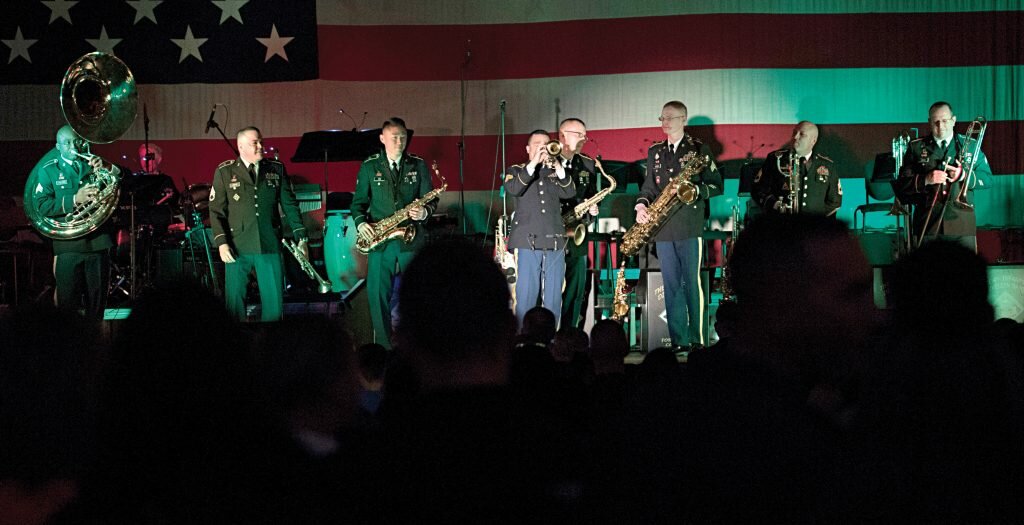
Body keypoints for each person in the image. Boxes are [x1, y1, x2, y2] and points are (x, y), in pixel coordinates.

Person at [633, 101, 723, 350]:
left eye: (670, 118)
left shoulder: (698, 149)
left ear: (684, 119)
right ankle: (678, 341)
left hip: (689, 226)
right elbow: (649, 187)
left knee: (691, 283)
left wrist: (695, 190)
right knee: (670, 284)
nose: (665, 122)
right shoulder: (655, 151)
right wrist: (641, 206)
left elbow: (717, 184)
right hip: (663, 228)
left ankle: (697, 339)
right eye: (662, 117)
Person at [352, 118, 437, 348]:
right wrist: (362, 224)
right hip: (381, 241)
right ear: (382, 138)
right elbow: (357, 204)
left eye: (403, 137)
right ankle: (383, 344)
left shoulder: (418, 164)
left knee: (417, 293)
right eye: (394, 137)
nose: (399, 142)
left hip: (411, 237)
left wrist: (424, 213)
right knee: (377, 294)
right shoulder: (370, 166)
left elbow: (432, 199)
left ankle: (416, 343)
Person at [209, 126, 306, 321]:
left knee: (274, 305)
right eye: (255, 143)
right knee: (234, 305)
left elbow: (290, 204)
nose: (261, 146)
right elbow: (216, 210)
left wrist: (301, 236)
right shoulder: (225, 171)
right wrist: (222, 243)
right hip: (237, 245)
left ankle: (269, 347)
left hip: (268, 242)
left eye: (261, 141)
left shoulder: (276, 169)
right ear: (241, 146)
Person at [28, 125, 119, 319]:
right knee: (67, 305)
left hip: (98, 242)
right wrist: (75, 199)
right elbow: (41, 205)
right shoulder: (49, 170)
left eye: (75, 142)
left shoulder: (94, 165)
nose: (72, 147)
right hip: (68, 246)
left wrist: (107, 167)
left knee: (97, 304)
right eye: (66, 143)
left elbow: (122, 180)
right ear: (58, 146)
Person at [894, 101, 993, 250]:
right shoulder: (916, 147)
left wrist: (963, 175)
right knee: (928, 272)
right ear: (929, 122)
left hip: (961, 223)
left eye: (945, 120)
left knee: (964, 272)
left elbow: (987, 179)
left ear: (953, 120)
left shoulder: (970, 146)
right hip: (928, 222)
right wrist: (925, 179)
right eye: (936, 122)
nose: (941, 126)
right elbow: (902, 185)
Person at [503, 130, 576, 328]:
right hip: (527, 241)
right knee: (526, 296)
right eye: (537, 144)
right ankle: (522, 341)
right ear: (528, 149)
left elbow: (570, 191)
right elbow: (514, 189)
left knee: (553, 298)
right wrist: (534, 162)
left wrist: (559, 166)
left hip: (554, 240)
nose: (543, 148)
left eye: (546, 144)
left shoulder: (555, 172)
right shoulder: (517, 170)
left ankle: (551, 342)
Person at [556, 118, 600, 329]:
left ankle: (570, 334)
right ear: (562, 135)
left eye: (585, 134)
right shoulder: (546, 160)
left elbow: (592, 197)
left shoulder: (588, 164)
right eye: (578, 134)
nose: (584, 139)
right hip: (551, 234)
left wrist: (592, 211)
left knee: (575, 290)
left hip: (576, 236)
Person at [752, 121, 841, 216]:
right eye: (794, 133)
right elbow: (758, 190)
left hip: (814, 229)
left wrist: (817, 220)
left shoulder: (827, 165)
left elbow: (834, 201)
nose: (795, 137)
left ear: (813, 141)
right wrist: (775, 205)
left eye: (802, 134)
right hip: (782, 225)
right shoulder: (775, 159)